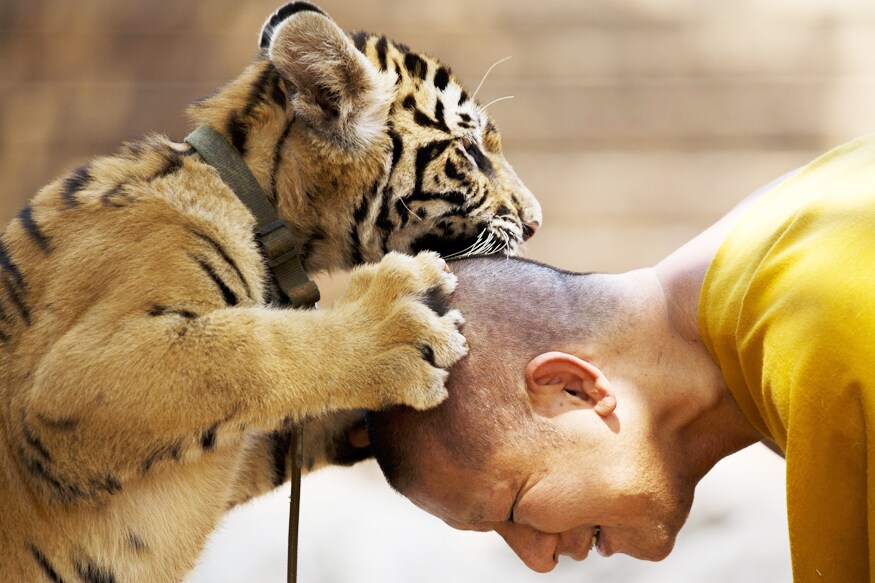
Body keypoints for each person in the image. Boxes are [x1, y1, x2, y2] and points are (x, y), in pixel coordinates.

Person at [364, 135, 875, 581]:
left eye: (513, 510)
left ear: (573, 387)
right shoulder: (790, 227)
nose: (538, 560)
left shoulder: (827, 338)